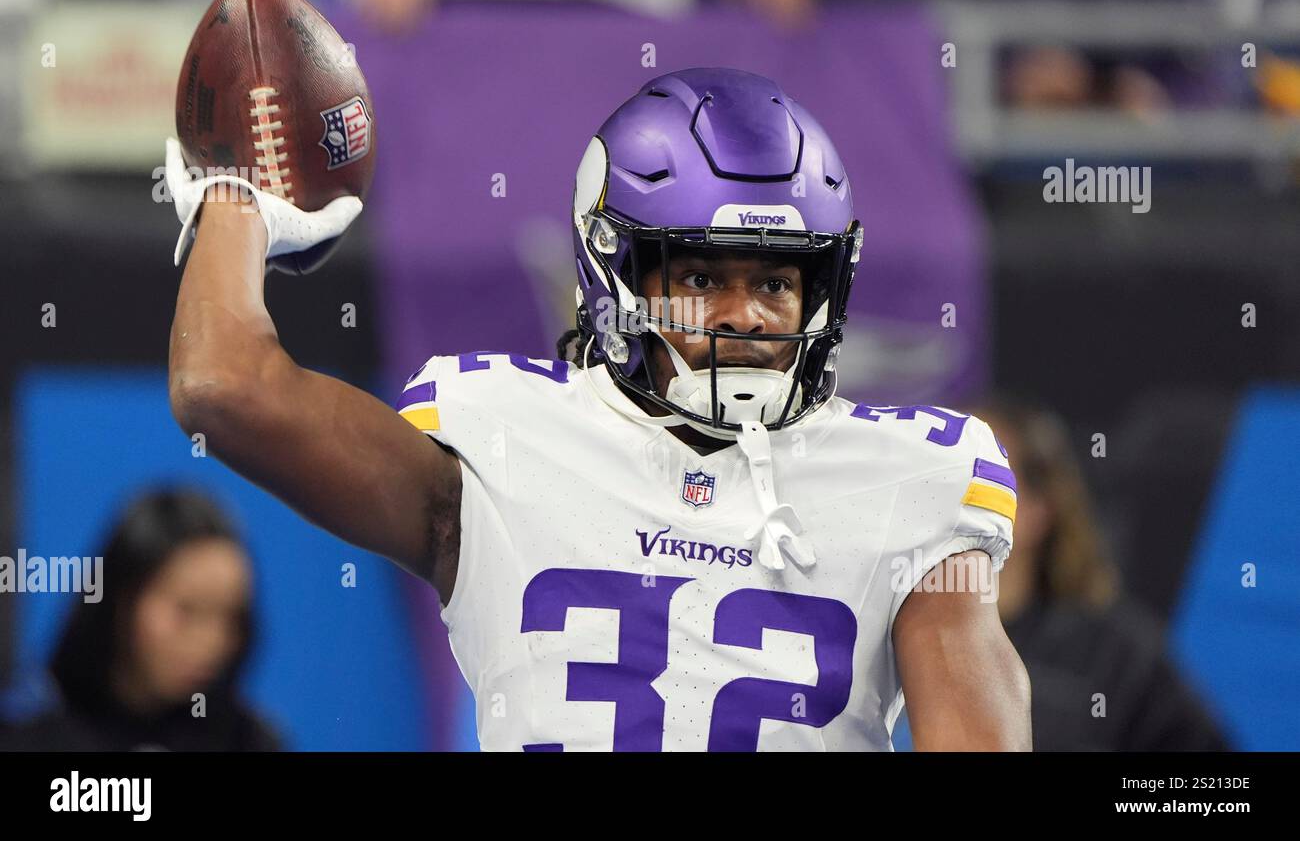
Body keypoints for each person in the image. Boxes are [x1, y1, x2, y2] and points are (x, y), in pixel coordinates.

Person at [163, 67, 1030, 751]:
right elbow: (223, 388)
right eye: (700, 276)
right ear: (612, 275)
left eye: (774, 280)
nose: (744, 314)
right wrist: (237, 202)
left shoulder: (911, 478)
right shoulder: (500, 438)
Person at [973, 396, 1229, 751]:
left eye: (976, 477)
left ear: (1037, 510)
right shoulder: (888, 639)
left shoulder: (1118, 657)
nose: (949, 499)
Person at [0, 489, 280, 751]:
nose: (211, 640)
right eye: (187, 609)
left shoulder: (251, 742)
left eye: (231, 616)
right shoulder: (29, 734)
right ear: (122, 599)